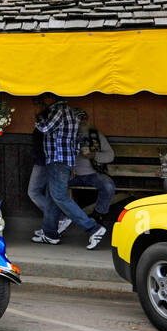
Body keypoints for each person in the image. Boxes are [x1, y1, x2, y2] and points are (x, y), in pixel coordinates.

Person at [32, 93, 107, 249]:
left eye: (43, 98)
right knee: (53, 197)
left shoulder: (57, 110)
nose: (42, 102)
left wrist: (37, 116)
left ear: (51, 98)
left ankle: (93, 228)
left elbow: (45, 128)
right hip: (63, 161)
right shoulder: (72, 112)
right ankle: (50, 233)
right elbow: (75, 142)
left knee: (59, 197)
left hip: (57, 160)